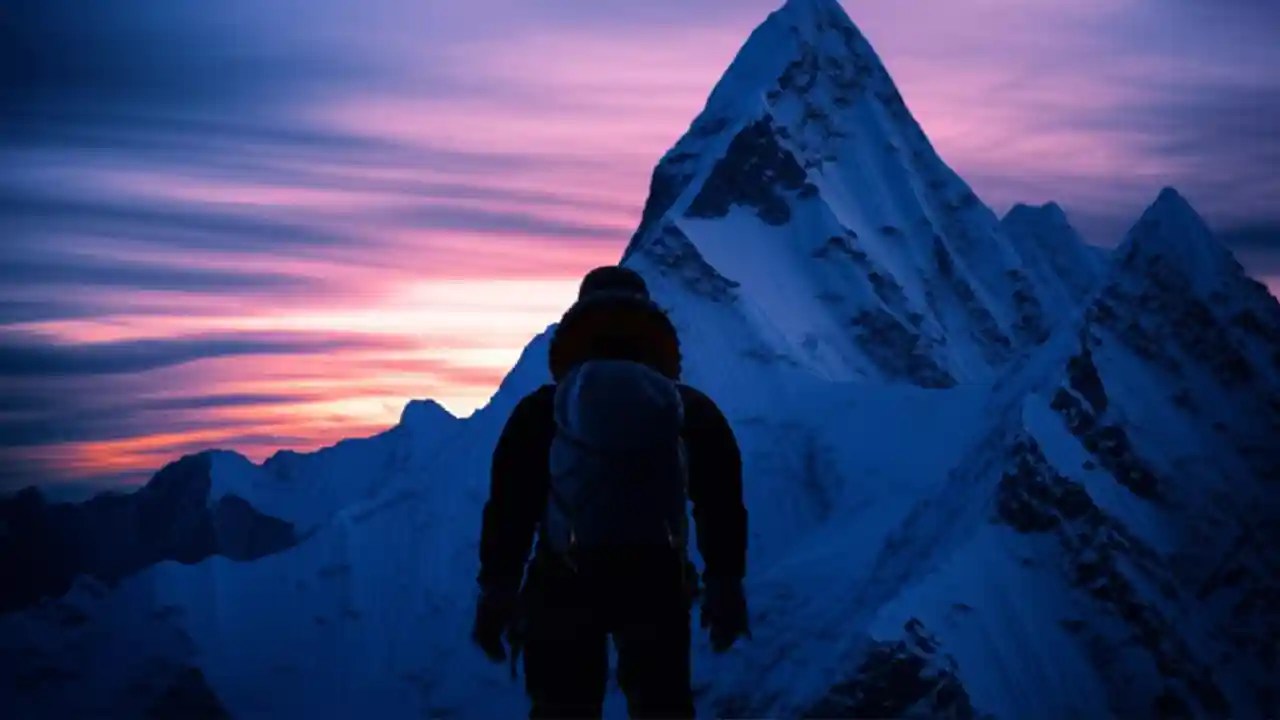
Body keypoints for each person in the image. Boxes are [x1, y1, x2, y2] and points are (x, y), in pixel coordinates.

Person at [472, 266, 749, 719]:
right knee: (662, 707)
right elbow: (719, 500)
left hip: (563, 581)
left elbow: (510, 506)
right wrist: (726, 582)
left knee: (563, 708)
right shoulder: (690, 408)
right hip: (657, 581)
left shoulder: (543, 410)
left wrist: (497, 589)